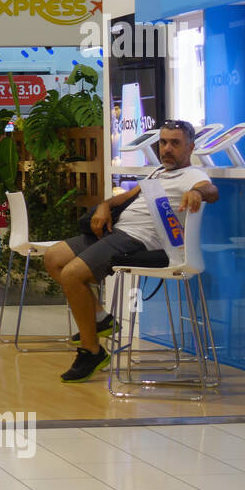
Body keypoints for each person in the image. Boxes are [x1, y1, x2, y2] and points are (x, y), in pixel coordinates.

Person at [44, 120, 218, 384]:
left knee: (71, 275)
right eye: (163, 142)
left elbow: (211, 190)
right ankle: (101, 319)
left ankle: (91, 351)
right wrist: (103, 206)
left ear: (190, 147)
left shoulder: (193, 175)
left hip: (139, 240)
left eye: (175, 143)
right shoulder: (156, 173)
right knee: (53, 258)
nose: (167, 148)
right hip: (116, 231)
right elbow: (122, 199)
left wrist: (196, 193)